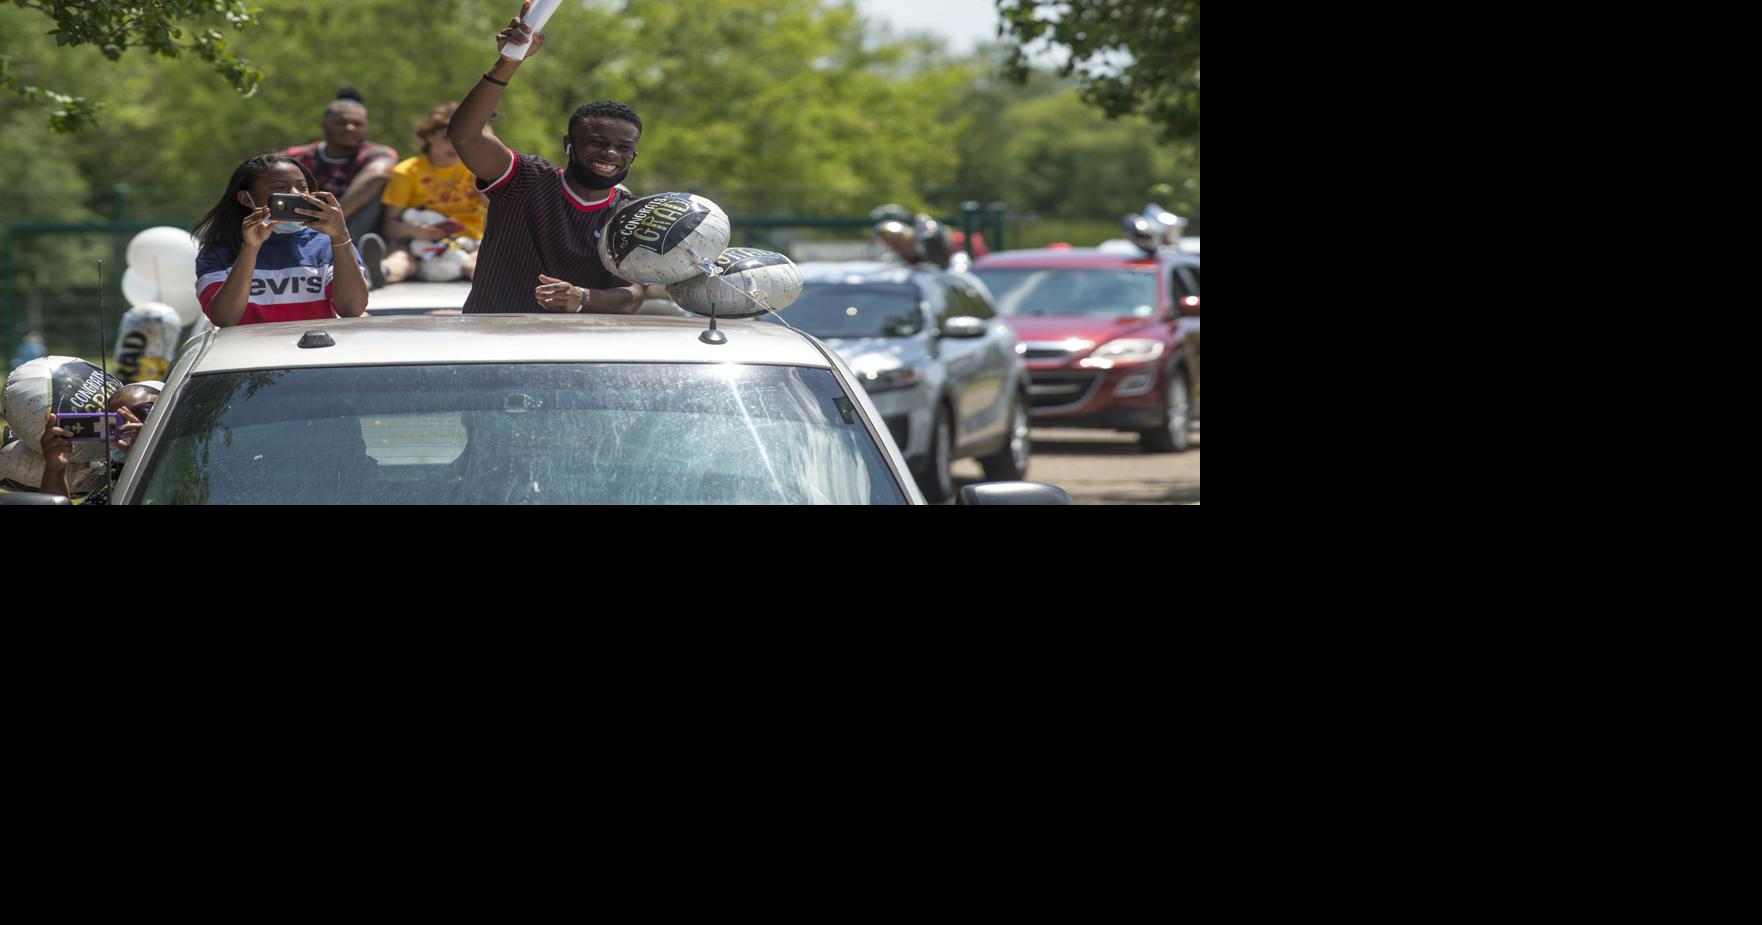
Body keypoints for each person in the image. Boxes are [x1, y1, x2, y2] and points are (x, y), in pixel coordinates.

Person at [446, 1, 644, 315]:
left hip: (572, 358)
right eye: (597, 142)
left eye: (623, 148)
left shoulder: (631, 214)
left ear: (633, 155)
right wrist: (509, 60)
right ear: (569, 143)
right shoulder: (525, 179)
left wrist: (582, 297)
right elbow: (464, 136)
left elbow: (632, 295)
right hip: (487, 348)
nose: (610, 153)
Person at [192, 154, 370, 327]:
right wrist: (250, 248)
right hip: (249, 356)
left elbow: (351, 309)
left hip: (315, 355)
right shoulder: (218, 250)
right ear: (246, 198)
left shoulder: (328, 244)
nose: (295, 195)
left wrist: (340, 235)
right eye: (280, 188)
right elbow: (224, 318)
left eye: (302, 187)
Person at [360, 102, 489, 287]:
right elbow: (389, 226)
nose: (454, 145)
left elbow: (498, 208)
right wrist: (416, 231)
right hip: (417, 246)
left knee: (475, 262)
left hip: (468, 243)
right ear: (429, 137)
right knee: (401, 260)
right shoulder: (406, 171)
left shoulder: (475, 168)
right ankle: (379, 273)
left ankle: (493, 282)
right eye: (447, 138)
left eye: (460, 138)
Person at [281, 88, 400, 242]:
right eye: (341, 123)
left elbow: (378, 174)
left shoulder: (376, 153)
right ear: (324, 125)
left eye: (357, 124)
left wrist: (331, 218)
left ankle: (360, 254)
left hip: (350, 231)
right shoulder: (297, 156)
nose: (349, 128)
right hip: (301, 228)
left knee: (379, 188)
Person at [37, 381, 160, 504]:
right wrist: (55, 470)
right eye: (115, 422)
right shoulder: (112, 492)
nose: (127, 425)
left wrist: (153, 453)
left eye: (141, 412)